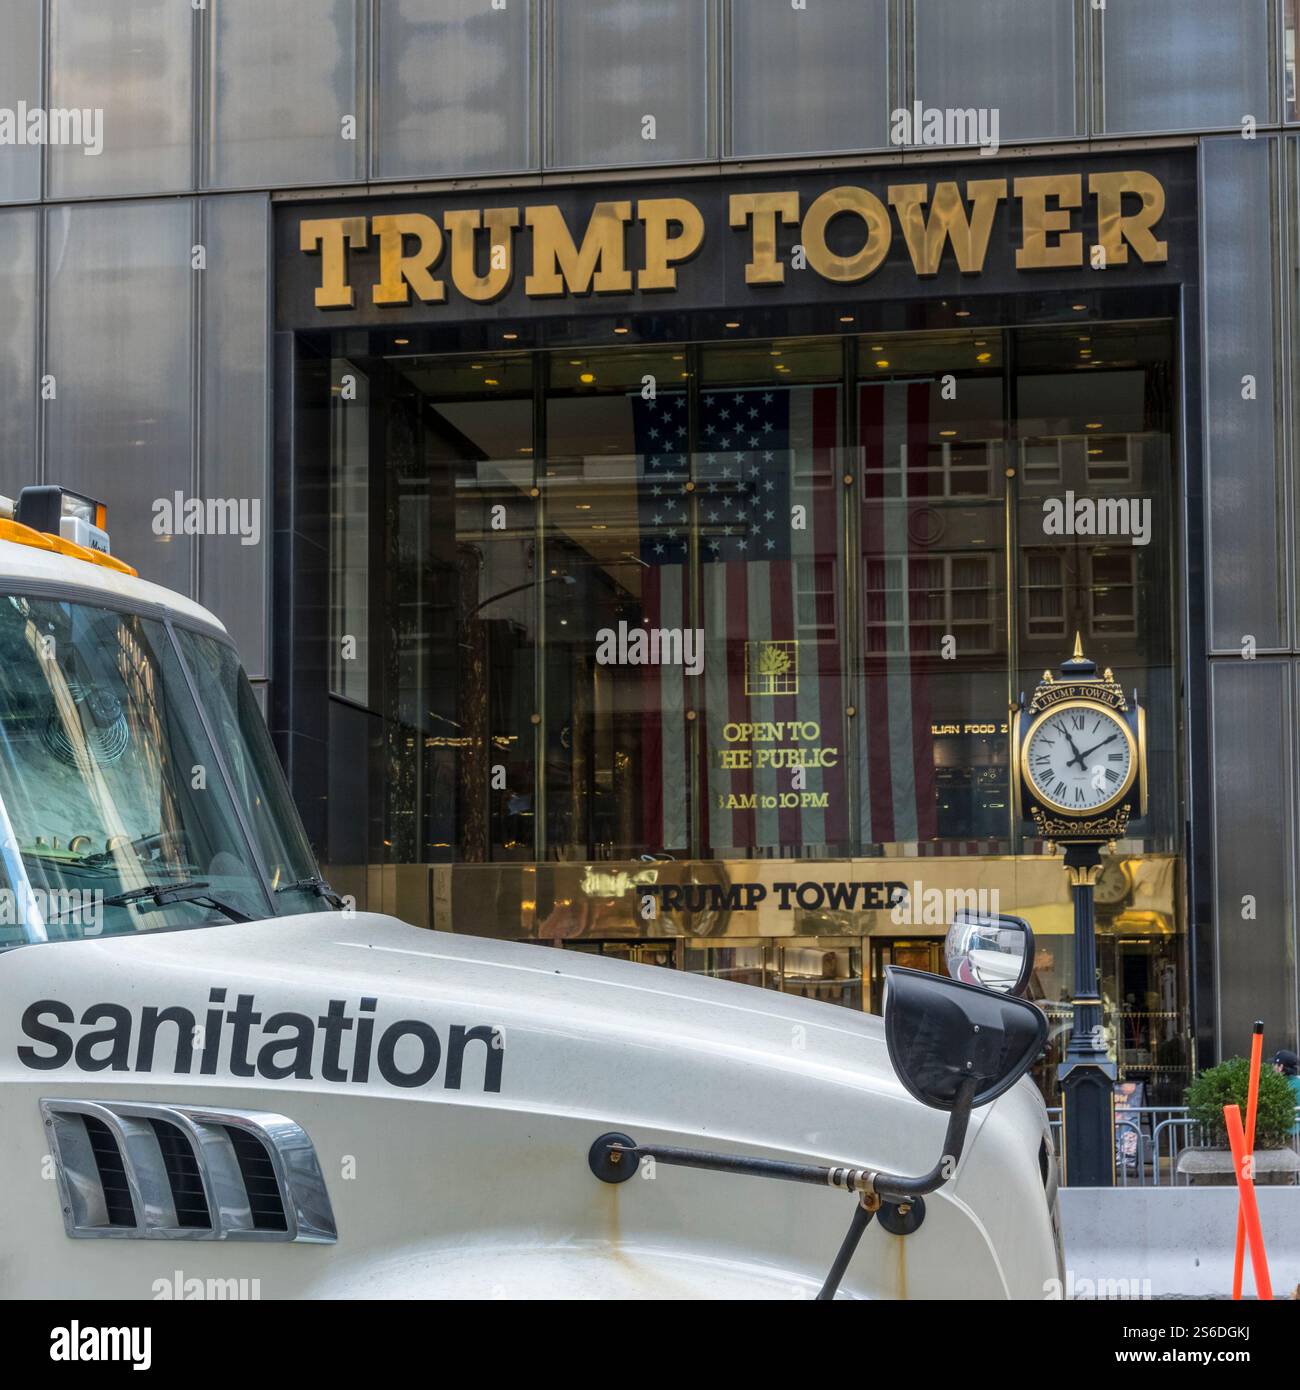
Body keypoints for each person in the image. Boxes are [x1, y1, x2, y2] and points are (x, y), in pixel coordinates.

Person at [1273, 1050, 1300, 1136]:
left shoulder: (1276, 1085)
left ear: (1280, 1067)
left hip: (1285, 1135)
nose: (1272, 1067)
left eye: (1274, 1064)